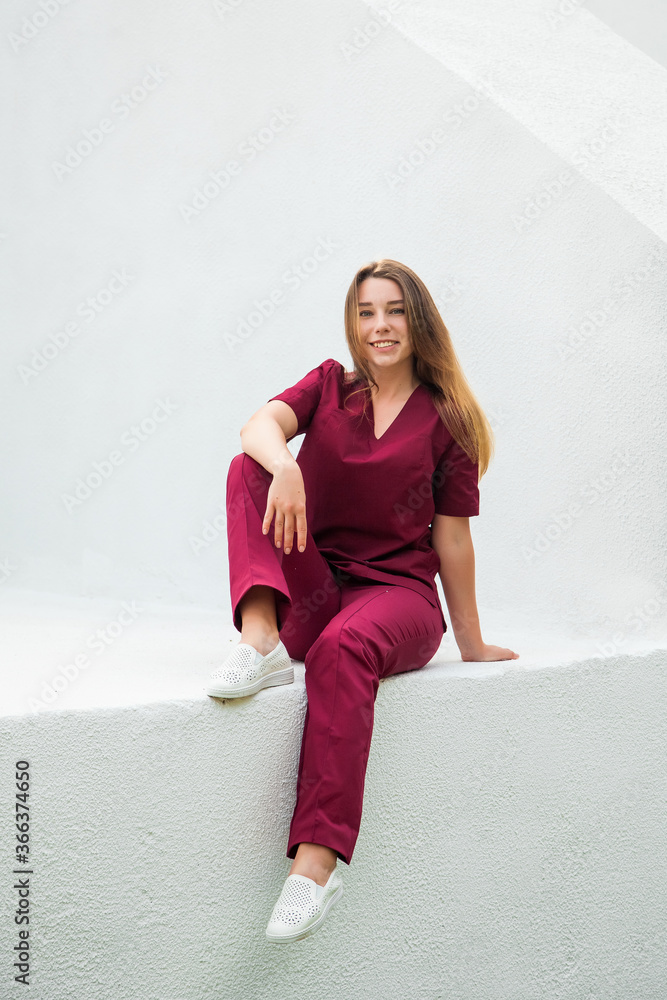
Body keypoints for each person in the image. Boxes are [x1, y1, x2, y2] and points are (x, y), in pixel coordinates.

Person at [205, 258, 519, 944]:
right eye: (366, 311)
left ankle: (312, 871)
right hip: (319, 589)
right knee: (246, 469)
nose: (379, 325)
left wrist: (469, 641)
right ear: (353, 323)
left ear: (419, 321)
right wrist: (286, 464)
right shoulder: (327, 387)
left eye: (394, 310)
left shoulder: (448, 420)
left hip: (396, 597)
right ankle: (257, 640)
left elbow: (452, 539)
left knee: (344, 650)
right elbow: (255, 429)